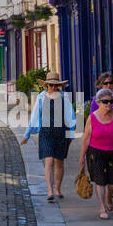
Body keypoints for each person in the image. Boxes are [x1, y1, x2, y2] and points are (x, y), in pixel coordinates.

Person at [20, 71, 76, 201]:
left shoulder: (64, 97)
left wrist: (71, 134)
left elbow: (71, 116)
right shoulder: (41, 97)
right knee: (49, 161)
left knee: (59, 163)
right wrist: (27, 135)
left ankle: (58, 189)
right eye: (51, 85)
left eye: (56, 86)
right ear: (46, 85)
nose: (53, 88)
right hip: (46, 133)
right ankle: (50, 190)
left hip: (61, 132)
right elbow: (34, 116)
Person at [77, 87, 113, 219]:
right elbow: (86, 138)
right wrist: (82, 156)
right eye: (105, 101)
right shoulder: (92, 118)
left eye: (111, 101)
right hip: (96, 153)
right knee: (100, 181)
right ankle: (102, 207)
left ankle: (109, 197)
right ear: (99, 102)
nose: (109, 104)